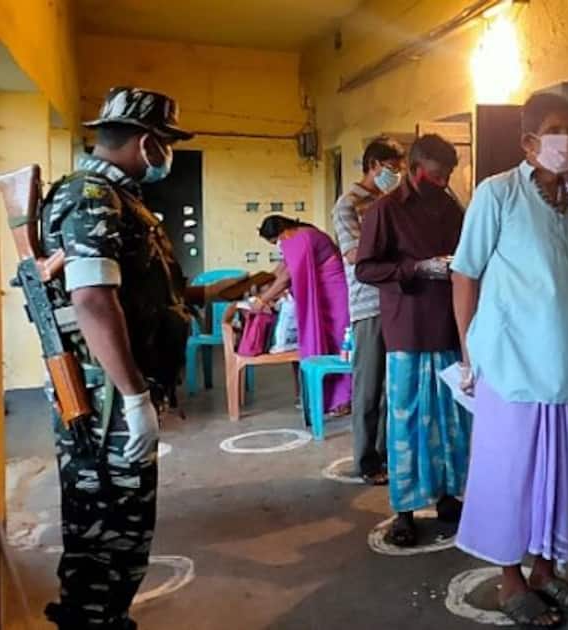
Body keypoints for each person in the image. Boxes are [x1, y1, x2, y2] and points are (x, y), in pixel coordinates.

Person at [38, 86, 234, 629]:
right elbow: (93, 300)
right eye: (166, 144)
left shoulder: (116, 198)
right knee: (108, 531)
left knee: (119, 531)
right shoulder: (92, 197)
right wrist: (134, 399)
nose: (166, 155)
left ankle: (105, 617)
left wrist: (203, 296)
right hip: (102, 400)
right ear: (148, 143)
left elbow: (133, 293)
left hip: (111, 393)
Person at [451, 92, 568, 629]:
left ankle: (545, 568)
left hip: (560, 362)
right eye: (556, 129)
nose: (567, 140)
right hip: (509, 362)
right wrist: (468, 351)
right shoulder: (498, 193)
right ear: (528, 142)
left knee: (560, 473)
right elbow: (464, 274)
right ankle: (510, 577)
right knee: (512, 472)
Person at [356, 134, 471, 545]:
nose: (443, 182)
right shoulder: (384, 211)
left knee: (450, 422)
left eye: (449, 175)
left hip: (448, 326)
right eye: (437, 175)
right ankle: (404, 509)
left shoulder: (452, 207)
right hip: (406, 329)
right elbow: (365, 269)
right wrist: (417, 268)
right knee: (405, 421)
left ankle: (446, 496)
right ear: (415, 169)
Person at [332, 136, 405, 485]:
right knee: (369, 387)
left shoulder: (391, 201)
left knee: (394, 385)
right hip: (369, 304)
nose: (396, 175)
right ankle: (366, 461)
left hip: (398, 299)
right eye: (392, 169)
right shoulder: (348, 205)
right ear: (374, 166)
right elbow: (353, 254)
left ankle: (388, 455)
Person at [255, 215, 352, 415]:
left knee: (340, 346)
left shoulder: (300, 237)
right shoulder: (300, 235)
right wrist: (259, 284)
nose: (279, 245)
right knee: (327, 345)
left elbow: (287, 277)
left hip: (335, 293)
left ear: (283, 231)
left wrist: (263, 300)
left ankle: (345, 399)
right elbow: (280, 271)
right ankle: (326, 396)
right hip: (326, 293)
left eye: (276, 241)